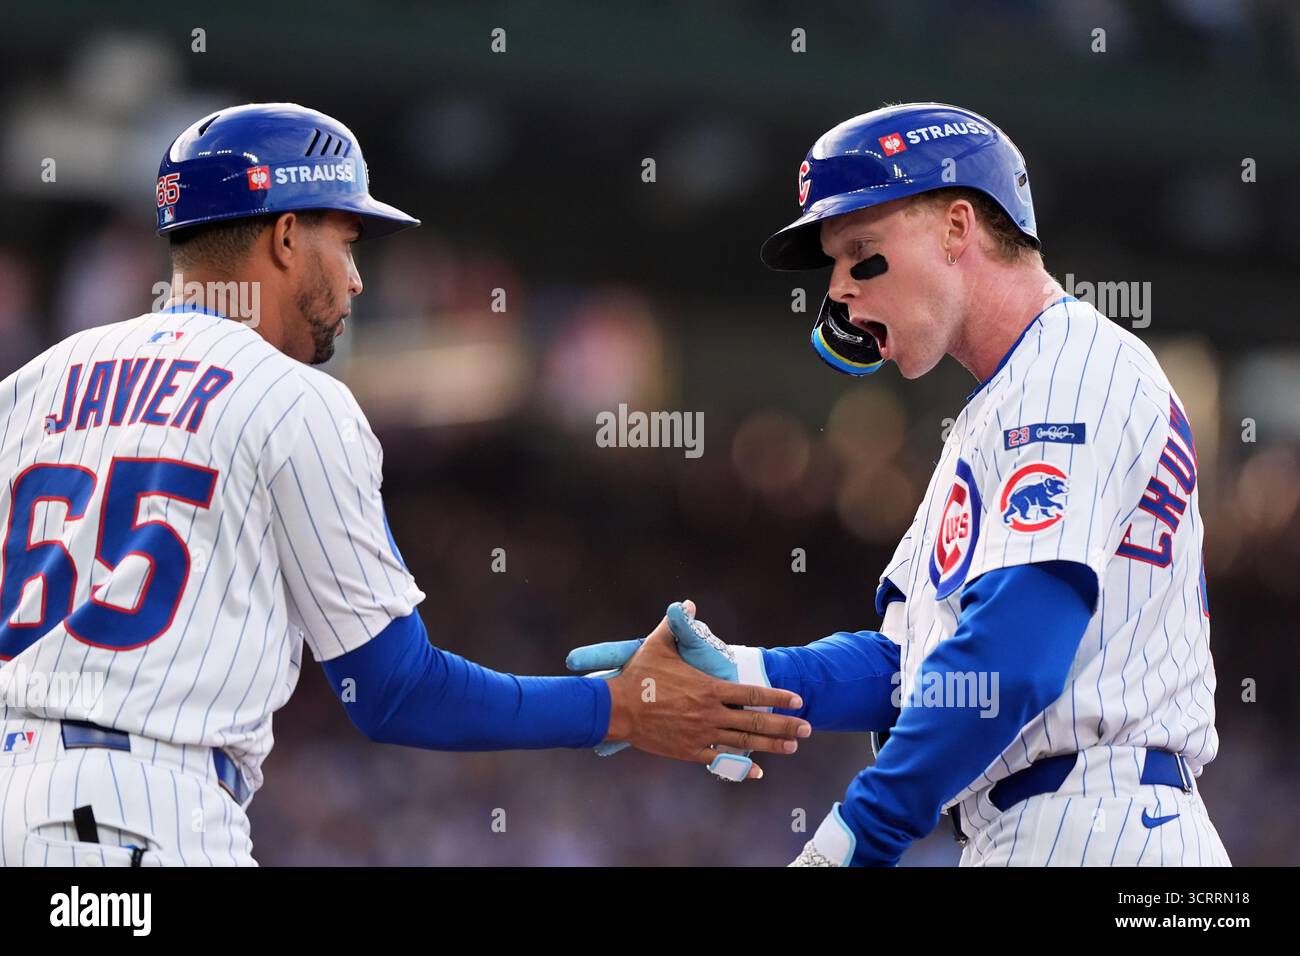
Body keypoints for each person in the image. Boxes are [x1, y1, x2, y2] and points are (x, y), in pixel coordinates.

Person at [0, 103, 807, 867]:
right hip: (136, 810)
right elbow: (395, 691)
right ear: (285, 236)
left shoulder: (30, 386)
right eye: (347, 242)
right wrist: (618, 706)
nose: (356, 280)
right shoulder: (294, 400)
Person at [569, 102, 1230, 867]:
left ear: (957, 228)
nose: (841, 290)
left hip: (1098, 823)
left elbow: (1011, 659)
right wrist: (748, 674)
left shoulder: (1072, 371)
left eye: (862, 251)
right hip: (1054, 828)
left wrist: (862, 829)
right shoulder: (1005, 404)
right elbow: (912, 668)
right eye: (836, 265)